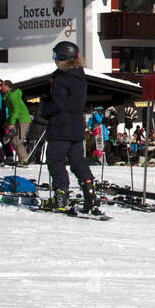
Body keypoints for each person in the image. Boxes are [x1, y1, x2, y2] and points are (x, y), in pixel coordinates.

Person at [39, 41, 99, 214]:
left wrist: (44, 110)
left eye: (56, 56)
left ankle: (61, 197)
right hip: (76, 124)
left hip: (61, 124)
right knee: (77, 161)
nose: (55, 60)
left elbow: (58, 103)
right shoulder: (80, 75)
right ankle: (90, 196)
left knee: (55, 160)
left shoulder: (62, 76)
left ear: (63, 57)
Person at [1, 80, 32, 164]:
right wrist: (7, 122)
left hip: (22, 119)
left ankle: (24, 159)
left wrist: (11, 123)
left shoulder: (12, 96)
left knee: (17, 140)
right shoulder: (9, 95)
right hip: (18, 119)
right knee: (14, 140)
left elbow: (15, 110)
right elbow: (11, 111)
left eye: (2, 86)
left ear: (7, 86)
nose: (1, 88)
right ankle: (22, 159)